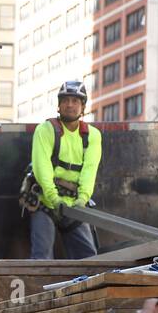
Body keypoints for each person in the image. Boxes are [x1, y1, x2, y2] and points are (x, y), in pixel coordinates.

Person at [28, 80, 102, 260]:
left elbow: (89, 170)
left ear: (83, 106)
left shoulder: (92, 135)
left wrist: (82, 199)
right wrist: (53, 198)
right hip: (45, 202)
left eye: (75, 101)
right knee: (42, 258)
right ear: (58, 105)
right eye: (65, 100)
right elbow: (41, 167)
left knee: (88, 258)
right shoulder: (45, 130)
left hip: (74, 204)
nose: (70, 104)